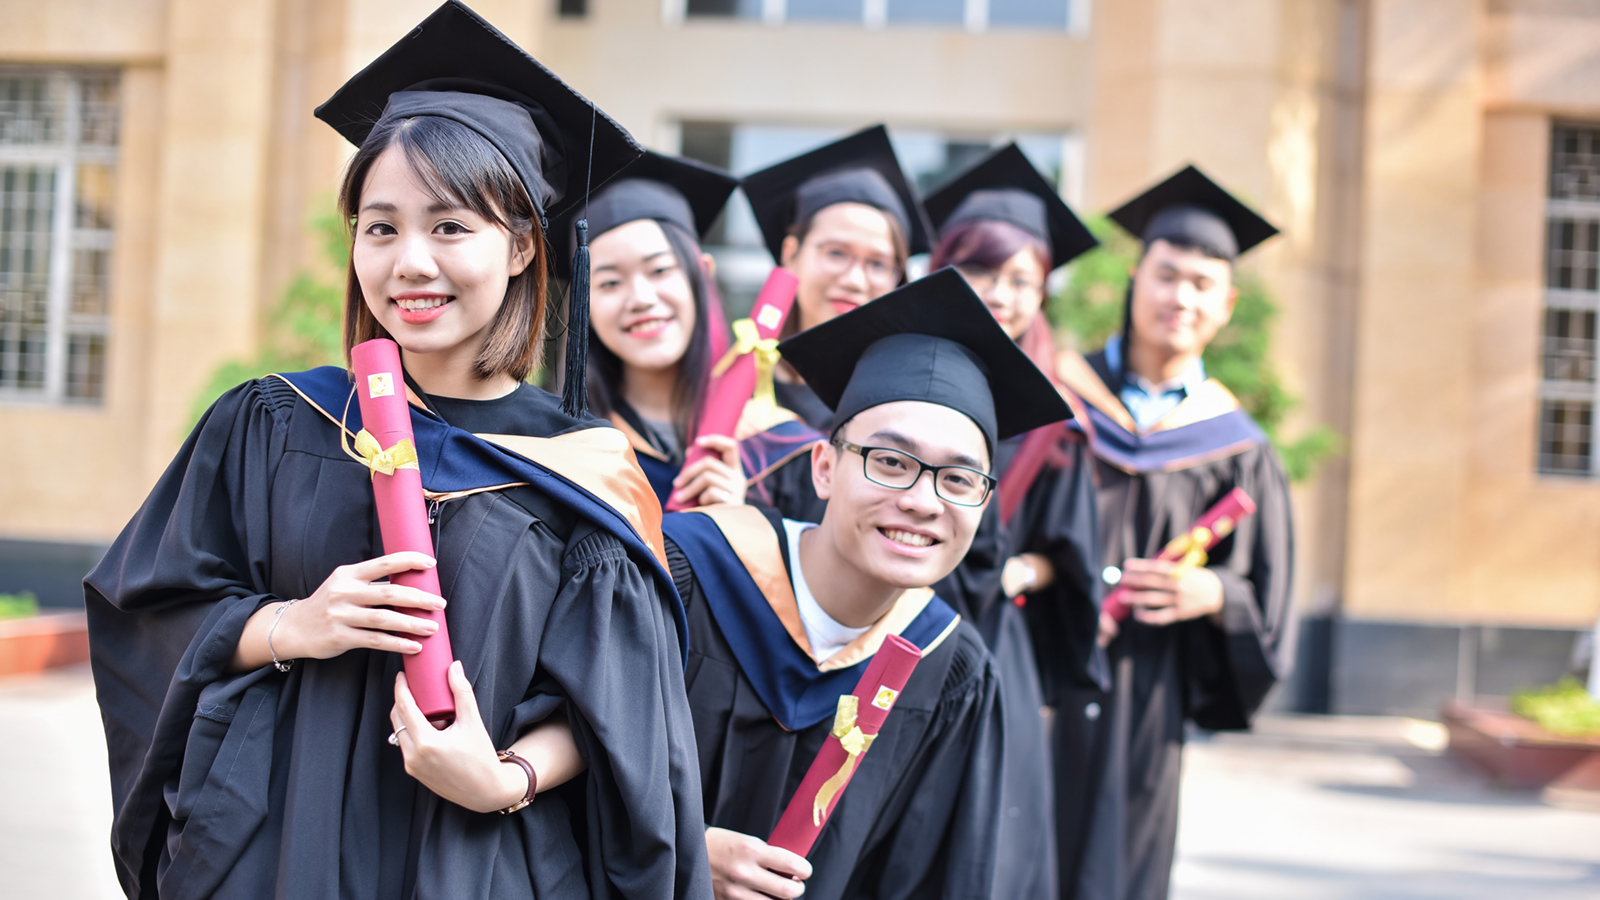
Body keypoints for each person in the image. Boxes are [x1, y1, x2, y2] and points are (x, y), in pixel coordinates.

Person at [83, 4, 711, 898]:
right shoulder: (275, 422)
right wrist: (290, 625)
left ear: (524, 245)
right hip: (279, 856)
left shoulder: (586, 469)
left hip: (475, 864)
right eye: (381, 228)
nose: (410, 261)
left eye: (451, 227)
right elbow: (146, 611)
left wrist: (502, 778)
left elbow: (624, 707)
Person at [663, 268, 1072, 900]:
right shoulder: (687, 574)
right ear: (824, 467)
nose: (921, 500)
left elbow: (936, 880)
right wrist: (677, 850)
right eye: (890, 462)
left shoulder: (953, 670)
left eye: (959, 479)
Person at [1052, 165, 1296, 900]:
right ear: (1136, 276)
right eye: (1166, 276)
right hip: (1045, 677)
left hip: (1146, 697)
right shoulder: (1060, 400)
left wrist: (1215, 592)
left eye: (1201, 284)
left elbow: (1269, 596)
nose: (1180, 298)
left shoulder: (1237, 447)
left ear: (1227, 304)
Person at [921, 142, 1106, 900]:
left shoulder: (1058, 414)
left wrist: (1011, 568)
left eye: (1023, 279)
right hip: (901, 618)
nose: (1002, 292)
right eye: (985, 270)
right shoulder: (907, 372)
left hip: (998, 637)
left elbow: (1075, 549)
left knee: (997, 837)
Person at [569, 150, 748, 510]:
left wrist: (736, 525)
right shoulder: (565, 450)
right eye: (609, 283)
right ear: (582, 303)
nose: (640, 299)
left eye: (660, 270)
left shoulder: (771, 441)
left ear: (703, 272)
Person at [740, 124, 932, 437]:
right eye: (836, 253)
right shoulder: (735, 385)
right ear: (791, 253)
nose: (855, 280)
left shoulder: (910, 401)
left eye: (878, 264)